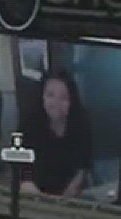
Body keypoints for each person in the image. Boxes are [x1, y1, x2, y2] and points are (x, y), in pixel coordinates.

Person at [19, 68, 94, 198]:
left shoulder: (81, 125)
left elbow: (84, 166)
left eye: (64, 98)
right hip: (35, 194)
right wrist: (29, 186)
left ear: (72, 101)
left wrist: (70, 192)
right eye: (50, 95)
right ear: (42, 97)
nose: (56, 103)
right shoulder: (28, 125)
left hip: (71, 195)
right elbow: (22, 169)